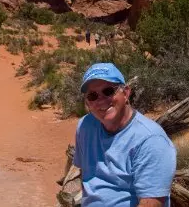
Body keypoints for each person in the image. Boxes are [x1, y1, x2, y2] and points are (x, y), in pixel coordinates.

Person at [73, 63, 176, 207]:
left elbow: (151, 203)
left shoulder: (151, 140)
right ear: (87, 103)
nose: (101, 100)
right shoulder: (85, 126)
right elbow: (85, 175)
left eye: (108, 91)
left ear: (126, 93)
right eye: (92, 95)